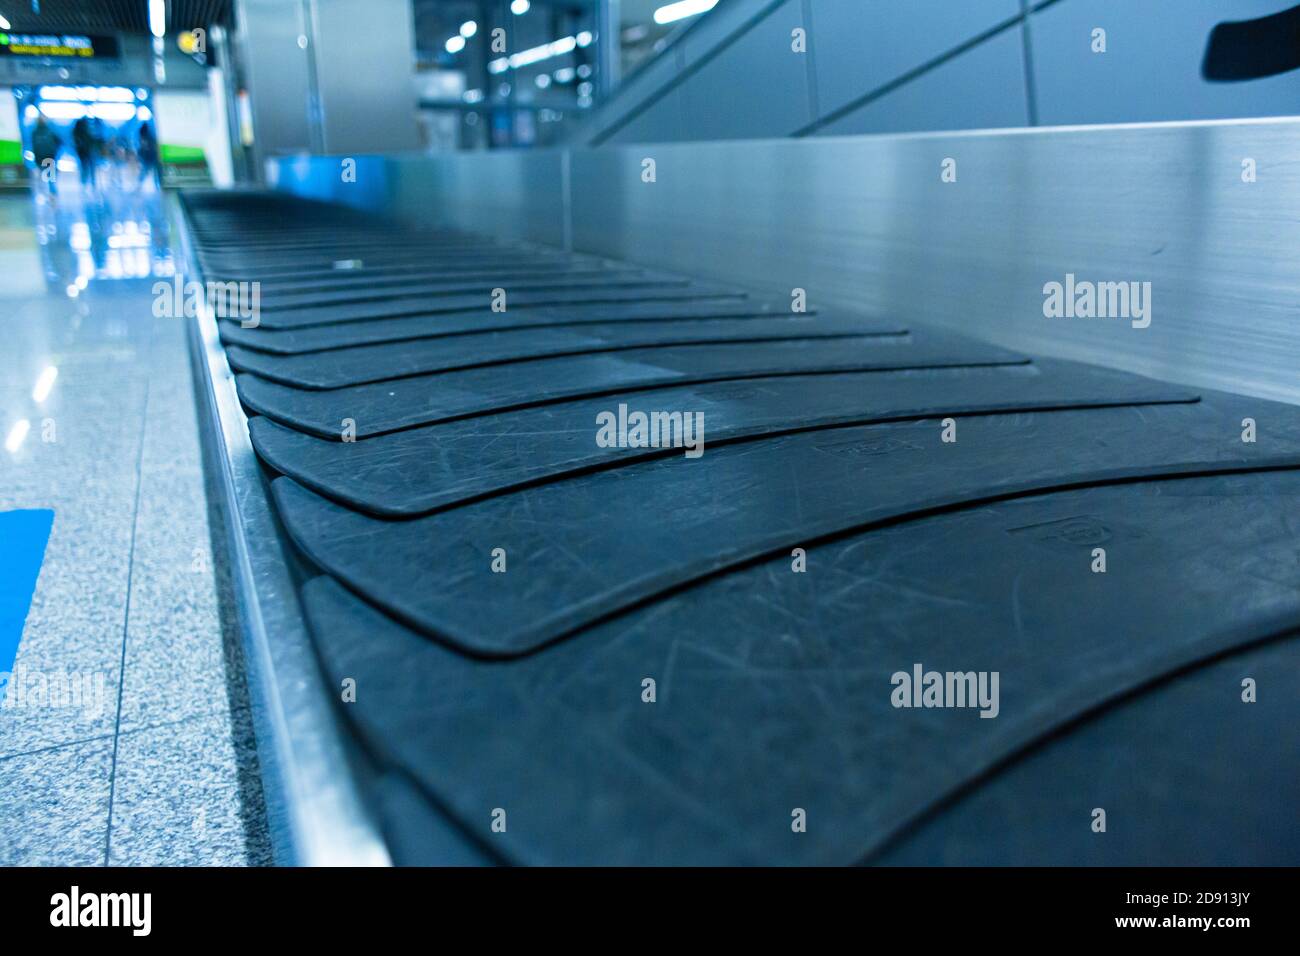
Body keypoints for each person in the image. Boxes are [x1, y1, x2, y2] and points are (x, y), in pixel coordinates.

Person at [30, 116, 61, 197]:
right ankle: (52, 190)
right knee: (51, 175)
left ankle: (43, 191)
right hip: (50, 156)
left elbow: (33, 146)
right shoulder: (50, 130)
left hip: (40, 157)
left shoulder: (34, 132)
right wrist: (55, 152)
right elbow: (58, 142)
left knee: (42, 174)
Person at [72, 115, 96, 188]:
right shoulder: (87, 129)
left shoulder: (78, 129)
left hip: (83, 151)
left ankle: (85, 182)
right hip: (86, 151)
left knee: (85, 167)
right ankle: (90, 183)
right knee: (89, 167)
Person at [137, 122, 160, 189]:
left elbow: (143, 148)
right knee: (155, 172)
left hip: (148, 157)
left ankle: (139, 185)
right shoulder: (151, 137)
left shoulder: (144, 138)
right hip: (152, 157)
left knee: (145, 171)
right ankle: (158, 185)